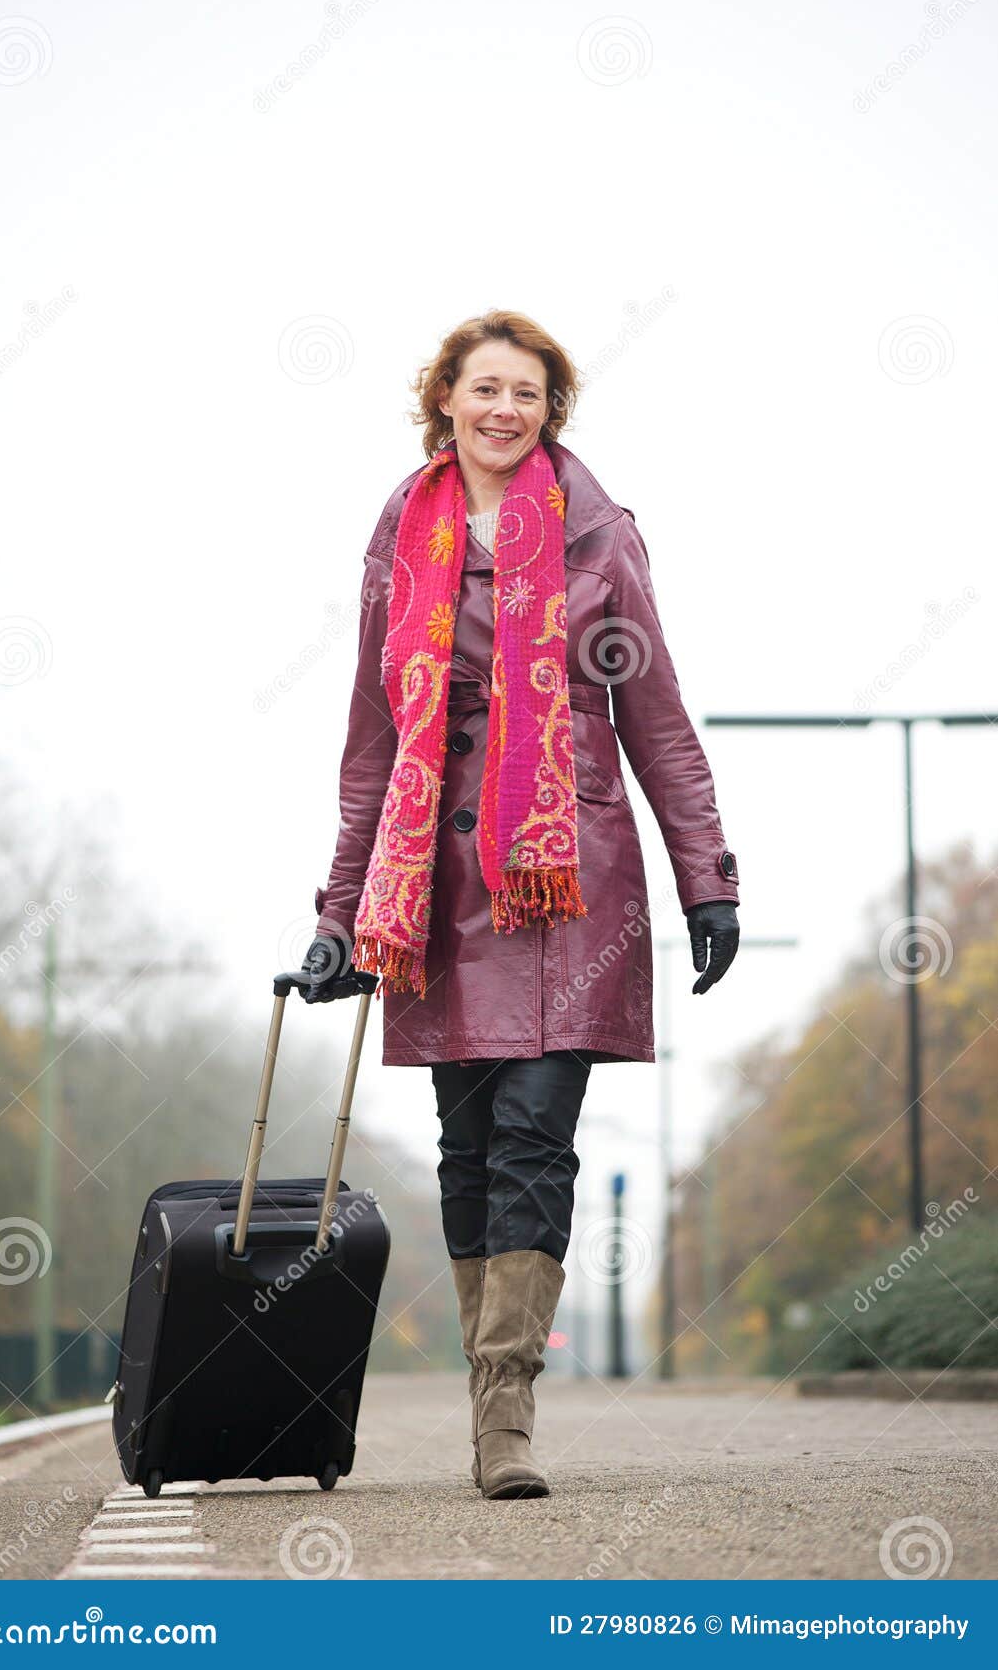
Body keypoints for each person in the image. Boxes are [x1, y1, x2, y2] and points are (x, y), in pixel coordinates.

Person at [293, 310, 740, 1500]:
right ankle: (496, 1394)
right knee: (470, 1145)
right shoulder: (403, 531)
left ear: (551, 411)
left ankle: (504, 1417)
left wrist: (708, 878)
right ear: (444, 398)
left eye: (529, 395)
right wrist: (343, 909)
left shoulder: (598, 533)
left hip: (566, 875)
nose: (506, 410)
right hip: (437, 883)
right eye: (485, 388)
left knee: (538, 1136)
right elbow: (372, 733)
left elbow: (657, 716)